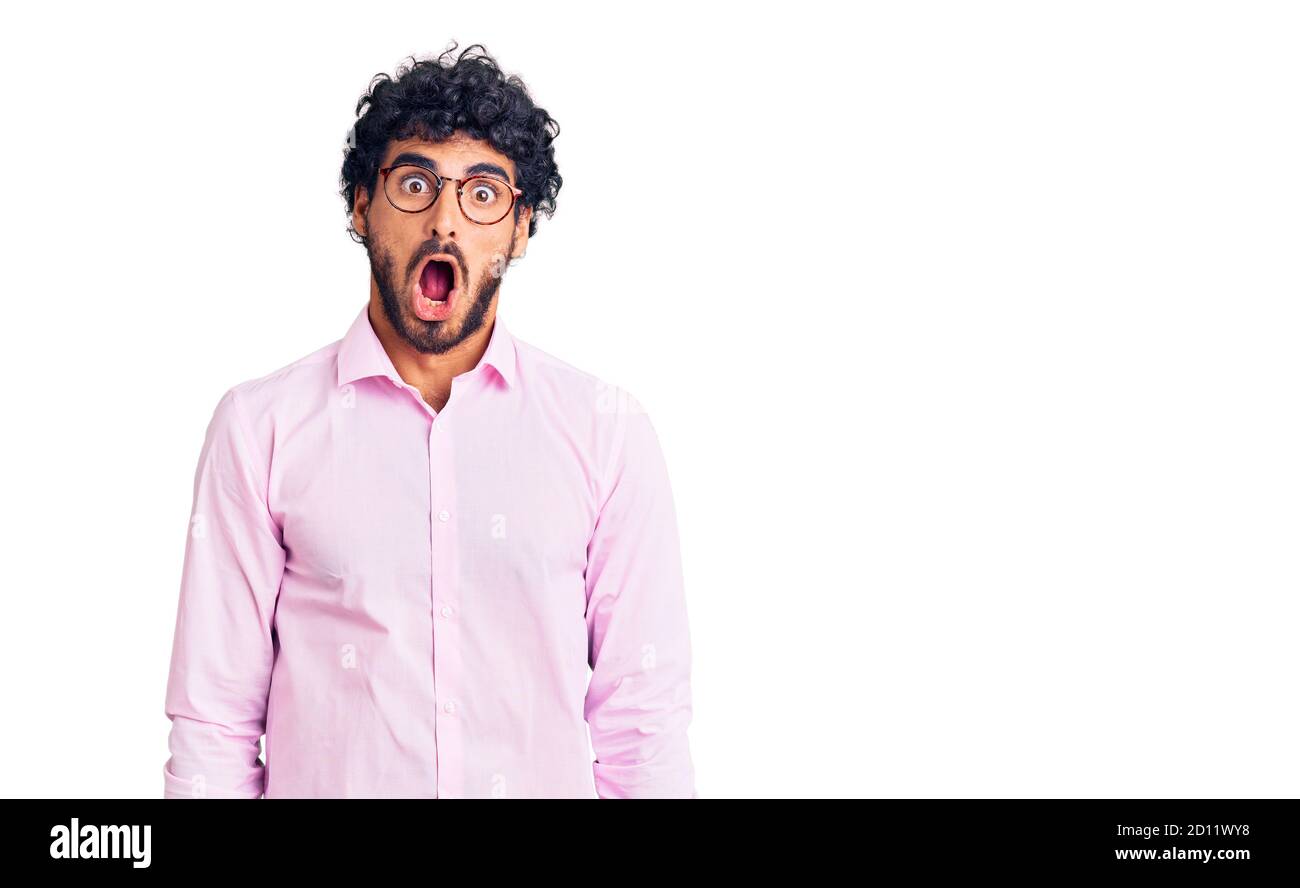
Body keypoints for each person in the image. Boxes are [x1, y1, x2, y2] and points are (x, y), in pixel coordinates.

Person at [162, 43, 696, 798]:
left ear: (519, 229)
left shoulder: (605, 433)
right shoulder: (260, 431)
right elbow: (213, 725)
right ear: (360, 206)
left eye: (483, 193)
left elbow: (644, 731)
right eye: (415, 183)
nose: (445, 220)